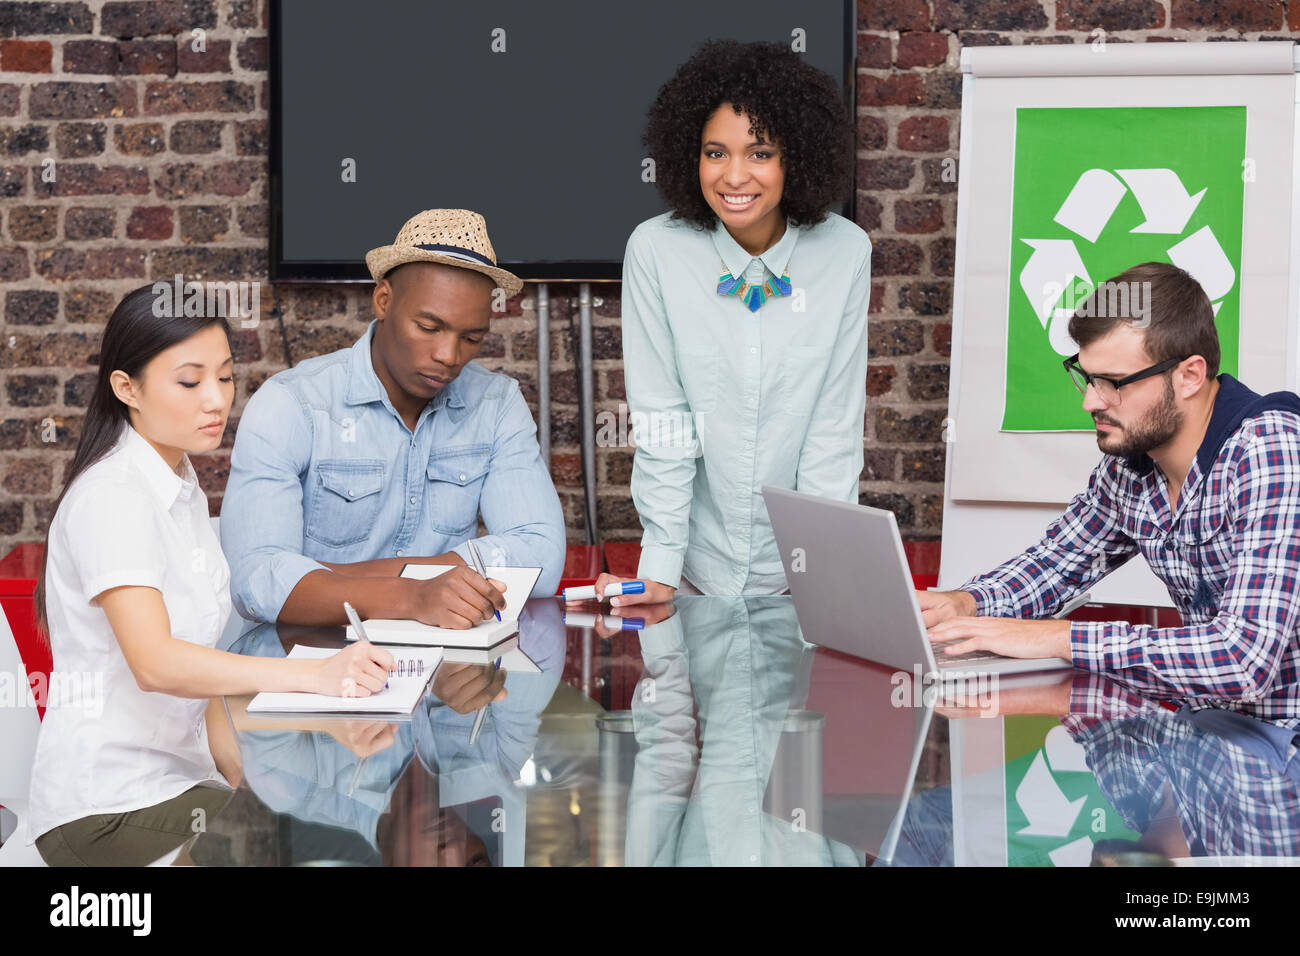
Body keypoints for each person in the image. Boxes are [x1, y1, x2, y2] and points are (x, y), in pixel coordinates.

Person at [27, 284, 397, 866]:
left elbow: (206, 698)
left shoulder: (180, 488)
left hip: (181, 785)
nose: (216, 400)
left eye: (225, 377)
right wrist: (317, 678)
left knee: (318, 829)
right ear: (127, 389)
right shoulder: (113, 496)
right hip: (106, 811)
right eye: (189, 380)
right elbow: (157, 665)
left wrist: (331, 721)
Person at [922, 262, 1300, 723]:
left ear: (1189, 375)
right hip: (1211, 744)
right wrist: (964, 604)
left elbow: (1243, 660)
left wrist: (1058, 639)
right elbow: (1056, 564)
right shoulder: (1129, 467)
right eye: (1087, 377)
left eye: (1113, 383)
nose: (1091, 401)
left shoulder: (1271, 448)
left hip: (1286, 751)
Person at [579, 39, 872, 610]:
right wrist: (661, 564)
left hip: (799, 574)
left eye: (759, 152)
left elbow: (832, 430)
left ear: (798, 157)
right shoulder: (656, 250)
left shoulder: (846, 252)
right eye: (716, 152)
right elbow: (664, 420)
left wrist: (825, 573)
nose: (734, 176)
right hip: (691, 572)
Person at [220, 208, 566, 628]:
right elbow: (256, 581)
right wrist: (414, 594)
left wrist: (325, 578)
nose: (448, 355)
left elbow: (542, 556)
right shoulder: (293, 404)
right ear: (383, 301)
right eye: (428, 326)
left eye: (471, 338)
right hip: (312, 667)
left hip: (447, 672)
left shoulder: (496, 404)